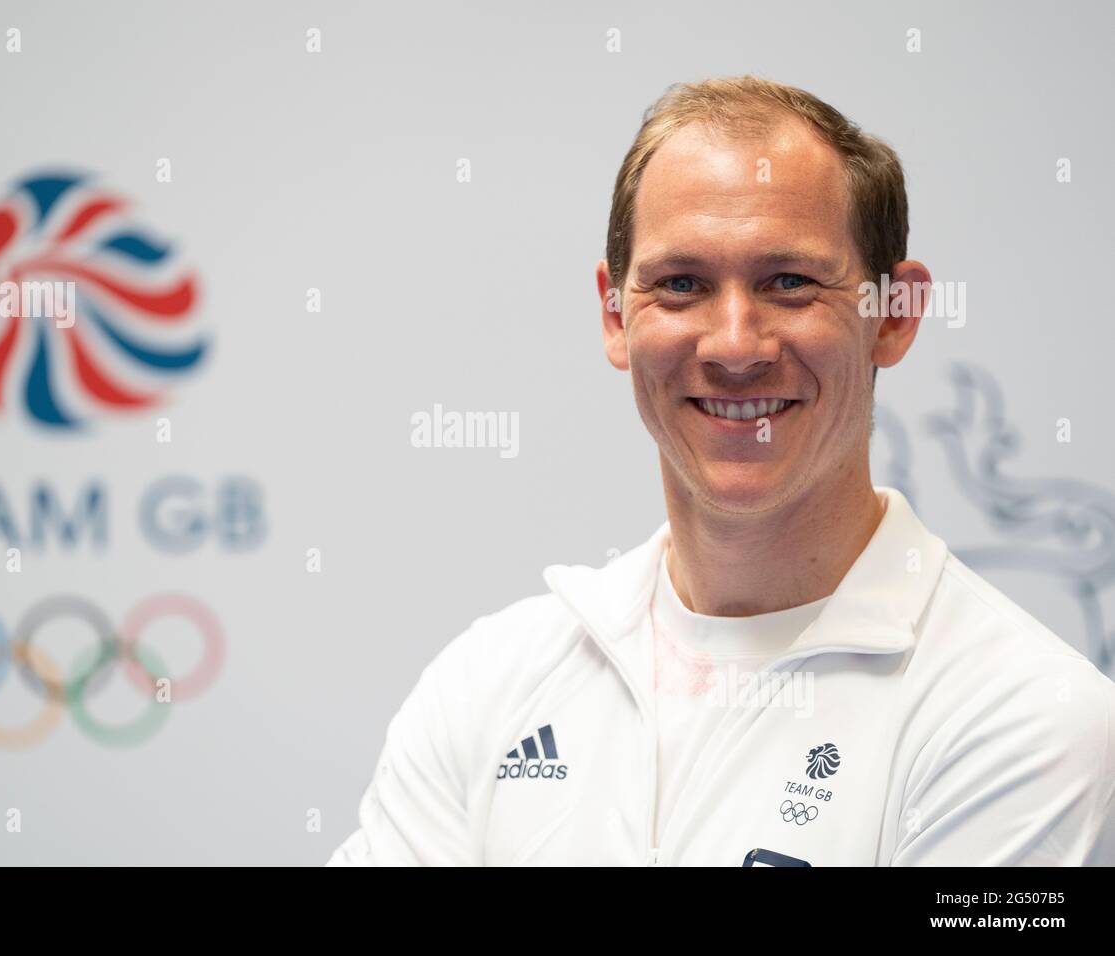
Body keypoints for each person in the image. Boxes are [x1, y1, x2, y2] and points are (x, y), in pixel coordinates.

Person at [327, 76, 1115, 866]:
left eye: (790, 282)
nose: (735, 345)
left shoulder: (1026, 717)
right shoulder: (490, 682)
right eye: (682, 285)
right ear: (616, 315)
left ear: (895, 314)